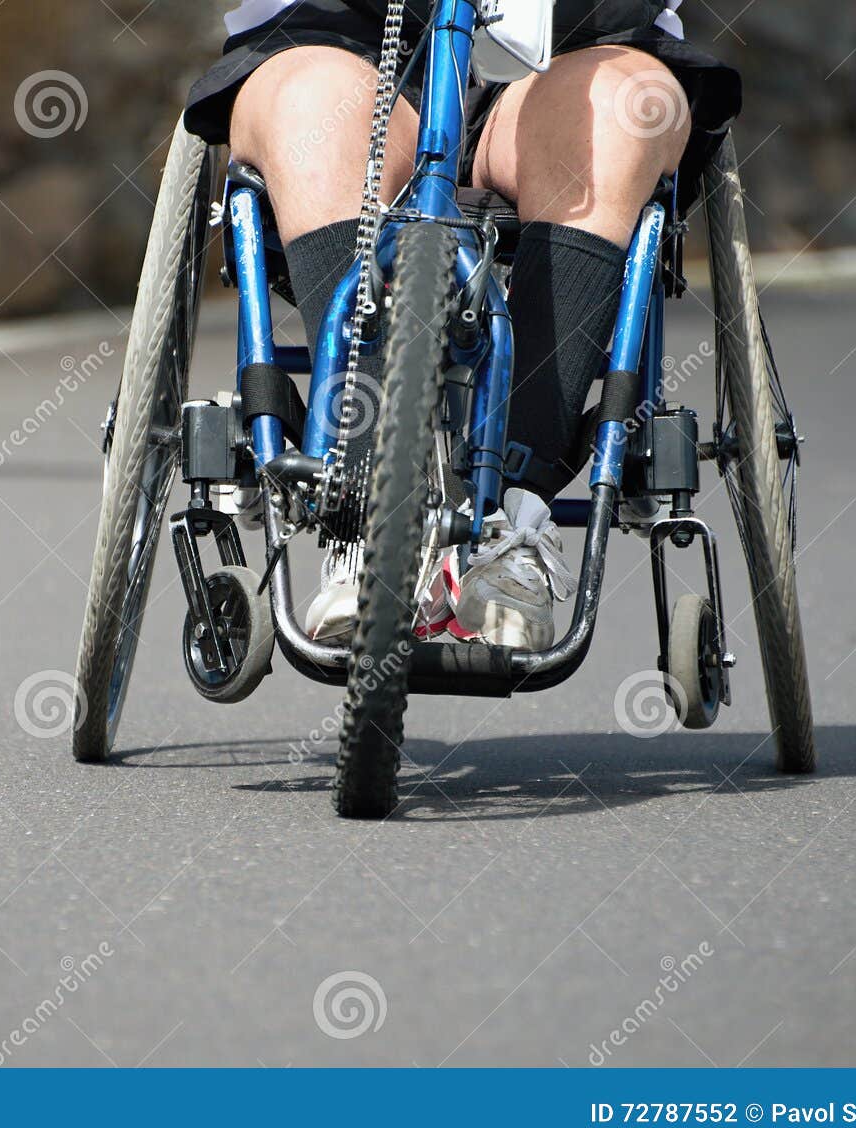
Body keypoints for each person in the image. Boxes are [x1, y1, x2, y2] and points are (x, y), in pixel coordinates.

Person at [184, 1, 740, 648]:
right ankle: (360, 517)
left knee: (628, 107)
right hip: (346, 40)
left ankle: (515, 517)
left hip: (573, 45)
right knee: (310, 100)